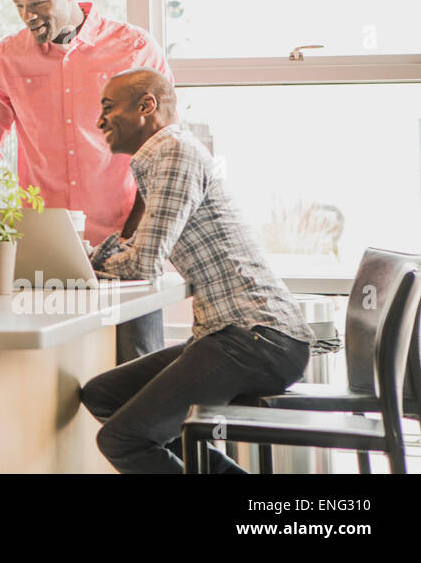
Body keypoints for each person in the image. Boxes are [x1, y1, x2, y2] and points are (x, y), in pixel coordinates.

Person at [79, 68, 313, 474]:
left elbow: (142, 263)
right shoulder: (164, 157)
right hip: (235, 335)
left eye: (107, 108)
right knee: (103, 395)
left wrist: (84, 268)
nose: (99, 122)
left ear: (146, 106)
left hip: (256, 338)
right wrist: (86, 258)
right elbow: (140, 249)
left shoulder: (173, 153)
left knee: (123, 439)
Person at [0, 0, 172, 363]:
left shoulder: (133, 49)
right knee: (49, 382)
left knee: (138, 371)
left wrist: (131, 240)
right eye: (19, 6)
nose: (28, 15)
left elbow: (163, 153)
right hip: (44, 252)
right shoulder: (5, 60)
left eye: (38, 2)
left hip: (128, 245)